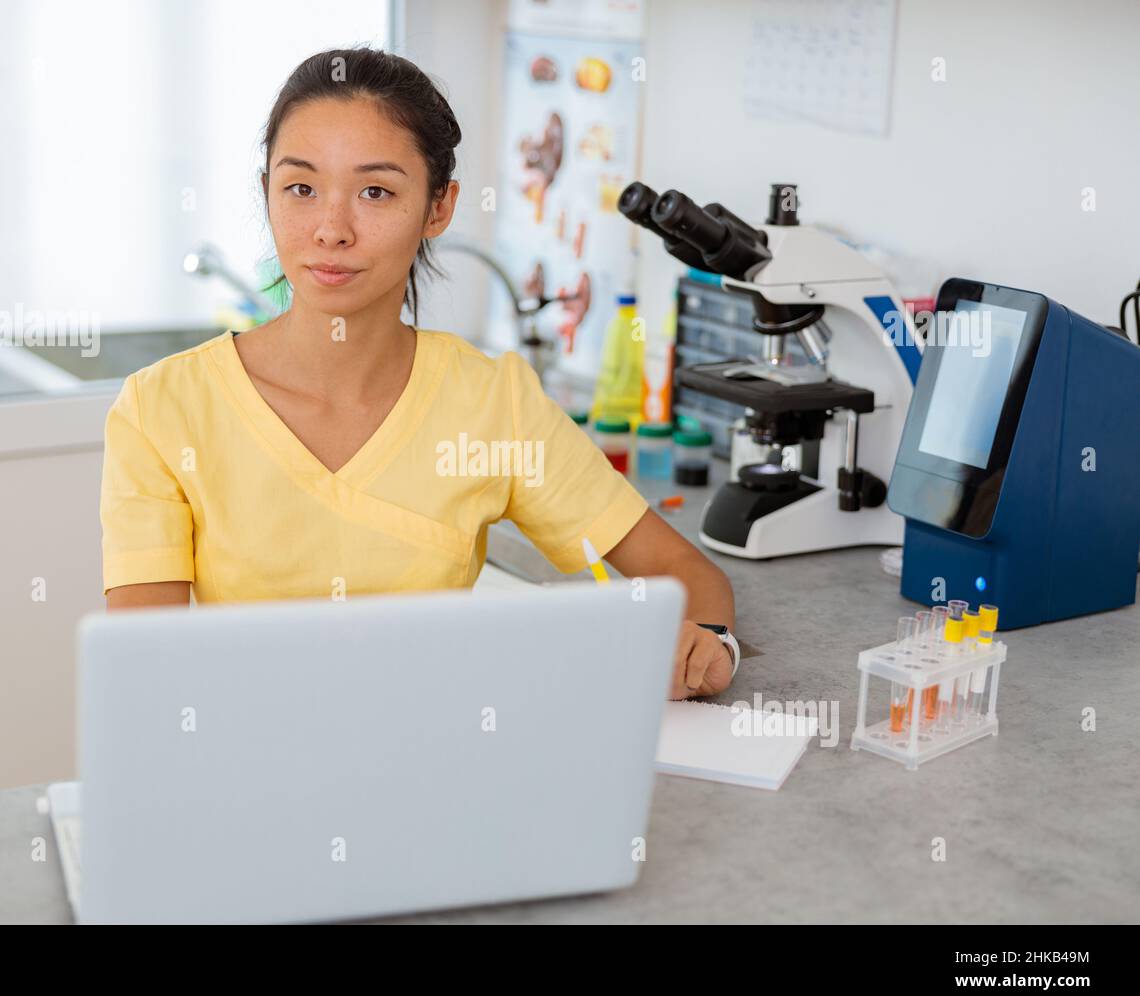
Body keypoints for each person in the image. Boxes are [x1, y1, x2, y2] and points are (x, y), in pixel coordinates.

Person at [100, 46, 736, 698]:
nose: (331, 228)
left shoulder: (493, 403)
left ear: (439, 207)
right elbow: (148, 672)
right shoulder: (163, 407)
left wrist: (704, 643)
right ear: (267, 192)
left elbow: (682, 569)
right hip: (247, 771)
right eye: (300, 187)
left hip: (439, 764)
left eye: (375, 191)